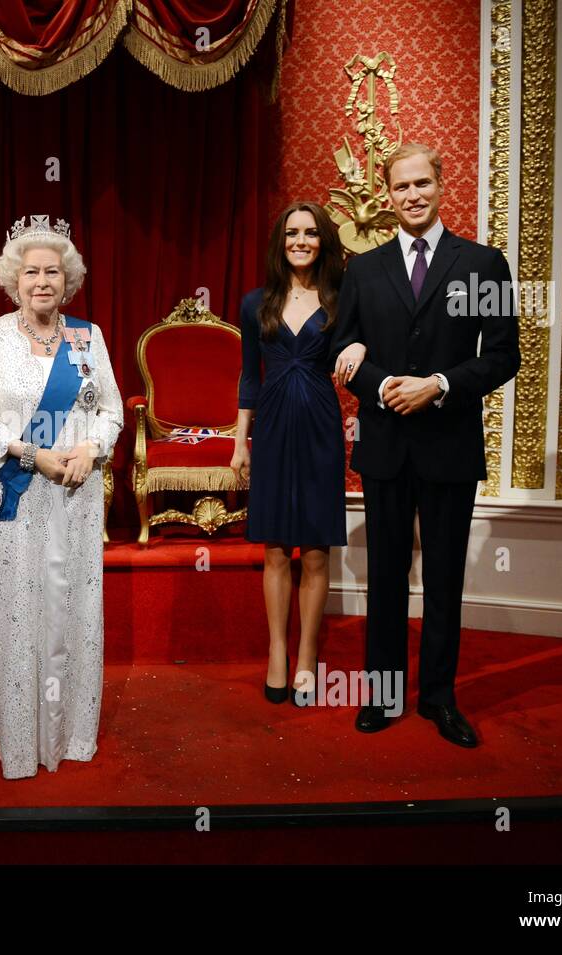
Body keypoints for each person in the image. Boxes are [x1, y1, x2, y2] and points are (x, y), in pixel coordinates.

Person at [328, 143, 520, 747]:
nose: (411, 195)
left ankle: (439, 698)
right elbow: (341, 351)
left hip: (449, 446)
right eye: (400, 187)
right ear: (387, 196)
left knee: (443, 581)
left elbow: (504, 356)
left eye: (421, 184)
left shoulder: (484, 264)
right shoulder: (362, 269)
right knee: (385, 577)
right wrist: (381, 383)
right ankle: (383, 696)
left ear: (441, 185)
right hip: (385, 446)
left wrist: (438, 385)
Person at [0, 215, 123, 779]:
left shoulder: (88, 338)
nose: (42, 281)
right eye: (31, 271)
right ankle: (18, 731)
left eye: (52, 271)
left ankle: (69, 731)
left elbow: (111, 410)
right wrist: (34, 456)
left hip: (76, 495)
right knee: (18, 610)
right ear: (14, 278)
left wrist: (89, 449)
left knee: (73, 607)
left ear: (67, 277)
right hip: (22, 494)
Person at [231, 202, 363, 706]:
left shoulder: (341, 298)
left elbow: (365, 341)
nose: (301, 241)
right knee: (273, 549)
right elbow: (248, 376)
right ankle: (278, 652)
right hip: (272, 428)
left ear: (323, 240)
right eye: (292, 233)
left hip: (320, 428)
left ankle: (308, 655)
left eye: (310, 233)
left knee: (314, 549)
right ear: (280, 242)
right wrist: (240, 443)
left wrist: (362, 349)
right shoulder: (254, 303)